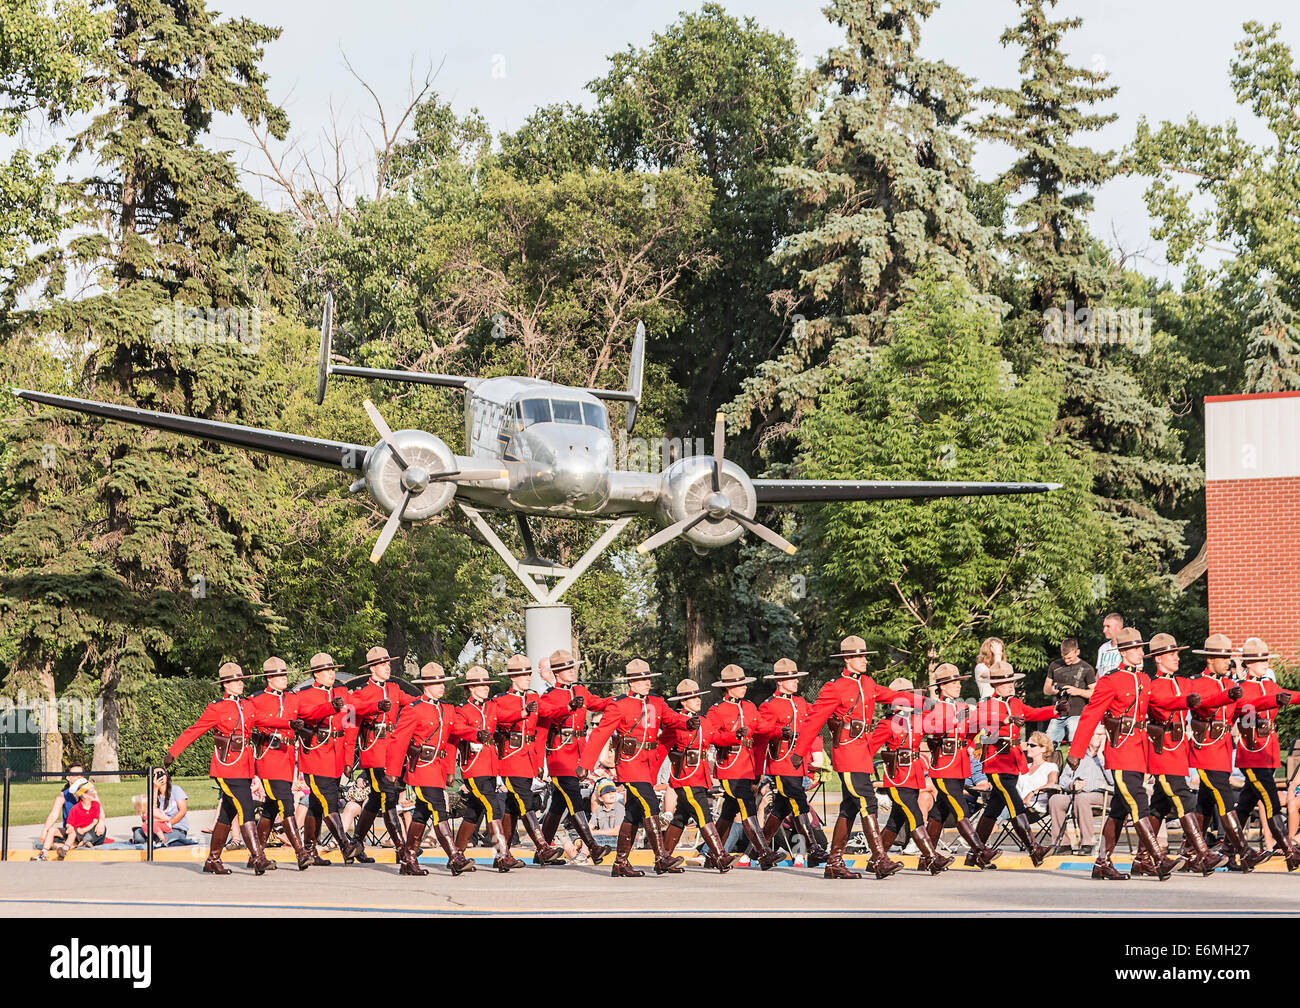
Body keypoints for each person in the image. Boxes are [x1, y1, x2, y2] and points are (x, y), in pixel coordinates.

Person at [793, 636, 928, 879]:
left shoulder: (867, 682)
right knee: (867, 801)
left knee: (850, 808)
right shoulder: (834, 686)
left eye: (865, 656)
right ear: (847, 659)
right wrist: (798, 752)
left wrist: (924, 701)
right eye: (860, 656)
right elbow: (814, 720)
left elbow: (891, 695)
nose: (865, 660)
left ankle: (833, 862)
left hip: (862, 752)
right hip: (846, 751)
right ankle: (879, 859)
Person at [1068, 626, 1181, 881]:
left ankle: (1102, 863)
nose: (1142, 653)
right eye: (1138, 648)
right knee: (1138, 801)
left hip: (1139, 750)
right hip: (1120, 751)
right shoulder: (1110, 681)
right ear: (1125, 651)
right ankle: (1159, 859)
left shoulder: (1143, 680)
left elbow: (1160, 707)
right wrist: (1075, 752)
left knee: (1119, 808)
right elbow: (1090, 716)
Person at [580, 658, 692, 877]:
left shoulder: (657, 701)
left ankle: (620, 862)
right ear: (631, 682)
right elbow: (601, 733)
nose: (646, 683)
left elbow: (670, 718)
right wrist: (584, 764)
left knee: (632, 813)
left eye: (648, 679)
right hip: (630, 763)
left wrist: (686, 722)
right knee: (650, 804)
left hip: (648, 762)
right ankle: (661, 857)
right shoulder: (619, 704)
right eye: (641, 680)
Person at [165, 661, 271, 874]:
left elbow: (267, 721)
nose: (241, 684)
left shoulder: (247, 705)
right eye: (236, 681)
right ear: (226, 684)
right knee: (246, 807)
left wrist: (294, 723)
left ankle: (213, 860)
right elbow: (195, 729)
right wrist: (173, 752)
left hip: (245, 765)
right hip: (227, 766)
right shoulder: (217, 707)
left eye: (241, 680)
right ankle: (258, 856)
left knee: (227, 812)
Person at [1142, 633, 1226, 876]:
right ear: (1158, 658)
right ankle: (1202, 853)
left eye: (1177, 652)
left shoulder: (1184, 682)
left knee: (1159, 805)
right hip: (1162, 751)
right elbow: (1165, 702)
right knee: (1184, 798)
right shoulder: (1152, 684)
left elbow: (1207, 699)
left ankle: (1141, 857)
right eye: (1172, 653)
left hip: (1178, 750)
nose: (1177, 657)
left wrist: (1226, 695)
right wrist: (1187, 700)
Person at [1184, 634, 1269, 871]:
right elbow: (1202, 704)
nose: (1228, 661)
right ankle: (1242, 850)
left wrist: (1275, 703)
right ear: (1210, 658)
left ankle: (1190, 850)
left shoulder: (1232, 684)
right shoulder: (1196, 683)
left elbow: (1248, 706)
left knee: (1205, 800)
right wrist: (1226, 696)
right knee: (1224, 797)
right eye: (1223, 657)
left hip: (1222, 749)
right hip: (1205, 749)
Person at [384, 662, 473, 876]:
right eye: (436, 682)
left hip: (438, 768)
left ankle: (408, 859)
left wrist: (476, 734)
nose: (441, 686)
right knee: (438, 809)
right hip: (422, 769)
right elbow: (398, 741)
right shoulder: (413, 709)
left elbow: (455, 735)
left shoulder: (447, 709)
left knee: (422, 815)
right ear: (426, 685)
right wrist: (393, 772)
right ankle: (455, 857)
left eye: (442, 681)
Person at [969, 663, 1062, 866]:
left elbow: (1033, 713)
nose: (1010, 685)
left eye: (1011, 681)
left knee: (993, 809)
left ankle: (974, 853)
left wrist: (1054, 710)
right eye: (1005, 682)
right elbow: (983, 719)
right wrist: (1006, 719)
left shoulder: (1016, 702)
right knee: (1015, 805)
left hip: (1012, 762)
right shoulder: (988, 703)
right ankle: (1034, 849)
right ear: (995, 684)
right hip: (996, 763)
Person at [535, 648, 613, 862]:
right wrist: (568, 706)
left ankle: (542, 853)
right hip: (559, 754)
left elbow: (598, 703)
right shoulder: (550, 695)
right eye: (566, 668)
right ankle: (593, 847)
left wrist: (619, 699)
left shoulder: (580, 689)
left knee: (559, 803)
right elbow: (545, 719)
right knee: (574, 799)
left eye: (572, 667)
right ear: (557, 672)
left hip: (578, 752)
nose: (571, 671)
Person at [1230, 637, 1300, 871]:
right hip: (1252, 754)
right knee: (1271, 801)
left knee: (1245, 805)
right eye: (1259, 660)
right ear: (1248, 664)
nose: (1264, 663)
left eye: (1265, 659)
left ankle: (1230, 851)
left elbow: (1290, 695)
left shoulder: (1270, 685)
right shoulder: (1242, 687)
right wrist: (1273, 700)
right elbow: (1248, 705)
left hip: (1267, 753)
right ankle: (1289, 850)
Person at [703, 663, 781, 870]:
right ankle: (763, 852)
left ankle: (712, 854)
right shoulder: (717, 710)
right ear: (728, 687)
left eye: (744, 683)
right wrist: (733, 736)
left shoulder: (749, 707)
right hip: (729, 765)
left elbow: (763, 730)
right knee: (746, 804)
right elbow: (712, 737)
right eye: (740, 684)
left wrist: (783, 730)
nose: (744, 687)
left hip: (746, 765)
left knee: (729, 812)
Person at [871, 678, 953, 874]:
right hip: (898, 778)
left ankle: (874, 860)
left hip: (914, 777)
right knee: (915, 817)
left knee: (895, 821)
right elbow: (870, 748)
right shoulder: (887, 723)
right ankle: (932, 858)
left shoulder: (916, 719)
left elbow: (938, 723)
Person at [922, 663, 1000, 868]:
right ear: (943, 686)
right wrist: (953, 720)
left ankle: (926, 858)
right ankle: (980, 851)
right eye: (953, 682)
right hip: (943, 766)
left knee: (939, 812)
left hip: (960, 765)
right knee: (959, 809)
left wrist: (982, 731)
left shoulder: (963, 707)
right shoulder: (934, 706)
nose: (958, 686)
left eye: (958, 682)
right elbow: (930, 728)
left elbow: (973, 730)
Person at [493, 653, 565, 865]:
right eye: (524, 674)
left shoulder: (534, 697)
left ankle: (502, 855)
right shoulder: (502, 699)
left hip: (527, 758)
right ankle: (543, 847)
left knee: (512, 808)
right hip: (511, 757)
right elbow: (500, 718)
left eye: (529, 673)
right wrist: (522, 712)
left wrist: (566, 704)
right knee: (524, 801)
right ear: (513, 677)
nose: (528, 677)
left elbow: (551, 711)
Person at [347, 645, 417, 864]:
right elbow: (350, 711)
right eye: (383, 664)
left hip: (392, 751)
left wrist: (432, 696)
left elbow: (413, 702)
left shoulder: (394, 689)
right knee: (388, 796)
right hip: (374, 751)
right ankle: (401, 848)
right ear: (372, 668)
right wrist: (375, 706)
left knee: (376, 799)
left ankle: (356, 843)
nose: (388, 667)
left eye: (388, 663)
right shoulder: (362, 691)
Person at [755, 658, 828, 867]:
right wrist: (779, 732)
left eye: (796, 677)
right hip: (781, 763)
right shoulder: (769, 705)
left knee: (780, 808)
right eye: (791, 678)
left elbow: (814, 721)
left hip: (798, 763)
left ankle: (758, 852)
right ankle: (813, 849)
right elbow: (761, 730)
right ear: (780, 681)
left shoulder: (800, 702)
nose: (796, 681)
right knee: (798, 800)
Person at [658, 679, 736, 872]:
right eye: (693, 698)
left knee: (680, 817)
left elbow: (715, 738)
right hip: (684, 775)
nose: (697, 700)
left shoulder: (704, 721)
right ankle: (720, 856)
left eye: (698, 697)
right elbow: (661, 745)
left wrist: (736, 737)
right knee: (703, 814)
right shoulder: (676, 721)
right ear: (683, 701)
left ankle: (663, 859)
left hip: (699, 775)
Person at [451, 664, 522, 870]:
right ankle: (502, 854)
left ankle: (456, 855)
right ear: (472, 687)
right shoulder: (463, 709)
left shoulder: (491, 706)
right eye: (482, 685)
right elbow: (456, 727)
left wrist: (523, 711)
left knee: (474, 810)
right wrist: (475, 734)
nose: (486, 688)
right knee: (492, 806)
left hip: (490, 765)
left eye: (487, 685)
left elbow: (506, 715)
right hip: (473, 766)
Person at [294, 653, 362, 864]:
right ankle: (345, 845)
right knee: (328, 802)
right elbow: (309, 715)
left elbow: (350, 722)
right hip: (316, 755)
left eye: (333, 669)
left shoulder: (342, 691)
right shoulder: (304, 694)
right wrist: (331, 706)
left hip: (336, 754)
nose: (332, 673)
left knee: (315, 803)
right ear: (316, 673)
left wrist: (349, 759)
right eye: (327, 670)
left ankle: (310, 850)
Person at [247, 655, 312, 870]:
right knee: (285, 802)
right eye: (280, 675)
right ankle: (301, 852)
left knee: (270, 808)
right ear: (269, 678)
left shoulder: (292, 698)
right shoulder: (256, 699)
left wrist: (331, 707)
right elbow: (256, 720)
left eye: (285, 674)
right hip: (269, 757)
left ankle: (256, 854)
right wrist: (286, 722)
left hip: (287, 755)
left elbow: (311, 712)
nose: (284, 678)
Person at [1049, 727, 1111, 853]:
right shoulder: (1077, 755)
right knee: (1056, 800)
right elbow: (1063, 780)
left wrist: (1101, 757)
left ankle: (1088, 842)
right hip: (1077, 794)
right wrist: (1072, 784)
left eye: (1103, 735)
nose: (1101, 737)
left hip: (1104, 795)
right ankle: (1062, 844)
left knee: (1082, 799)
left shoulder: (1110, 755)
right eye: (1097, 734)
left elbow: (1113, 781)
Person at [1043, 639, 1096, 745]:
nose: (1066, 661)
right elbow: (1046, 689)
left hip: (1077, 714)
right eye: (1064, 657)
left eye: (1069, 658)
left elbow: (1095, 692)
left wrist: (1078, 691)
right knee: (1047, 747)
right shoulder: (1055, 665)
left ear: (1077, 652)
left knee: (1075, 747)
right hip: (1057, 713)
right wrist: (1053, 691)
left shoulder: (1087, 668)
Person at [35, 765, 90, 860]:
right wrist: (45, 831)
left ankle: (69, 846)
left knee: (86, 835)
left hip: (85, 829)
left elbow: (99, 809)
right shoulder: (63, 795)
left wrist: (101, 822)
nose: (79, 777)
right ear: (68, 777)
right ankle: (44, 854)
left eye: (81, 774)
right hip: (69, 829)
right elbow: (54, 814)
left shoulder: (89, 791)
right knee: (51, 832)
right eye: (75, 774)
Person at [131, 768, 190, 846]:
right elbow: (150, 813)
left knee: (163, 838)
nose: (160, 776)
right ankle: (151, 837)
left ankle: (153, 839)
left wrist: (167, 825)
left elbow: (182, 811)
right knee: (138, 836)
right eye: (156, 775)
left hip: (175, 828)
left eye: (162, 773)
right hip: (156, 827)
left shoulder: (176, 789)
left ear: (166, 776)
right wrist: (155, 789)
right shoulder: (152, 794)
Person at [49, 778, 104, 857]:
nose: (95, 793)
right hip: (76, 833)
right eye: (92, 791)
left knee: (100, 830)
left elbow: (97, 818)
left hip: (88, 831)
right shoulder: (75, 807)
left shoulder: (95, 804)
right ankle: (75, 845)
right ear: (84, 795)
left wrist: (101, 821)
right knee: (59, 835)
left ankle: (72, 845)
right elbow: (69, 823)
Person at [1017, 732, 1059, 816]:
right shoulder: (1024, 767)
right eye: (1027, 744)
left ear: (1043, 749)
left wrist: (1032, 793)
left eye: (1032, 745)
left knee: (997, 812)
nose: (1028, 747)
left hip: (1035, 806)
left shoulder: (1050, 767)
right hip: (1018, 804)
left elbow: (1052, 784)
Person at [1096, 613, 1124, 677]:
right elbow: (1099, 672)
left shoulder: (1128, 647)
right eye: (1104, 627)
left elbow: (1138, 669)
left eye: (1108, 626)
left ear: (1119, 628)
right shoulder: (1103, 648)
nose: (1104, 630)